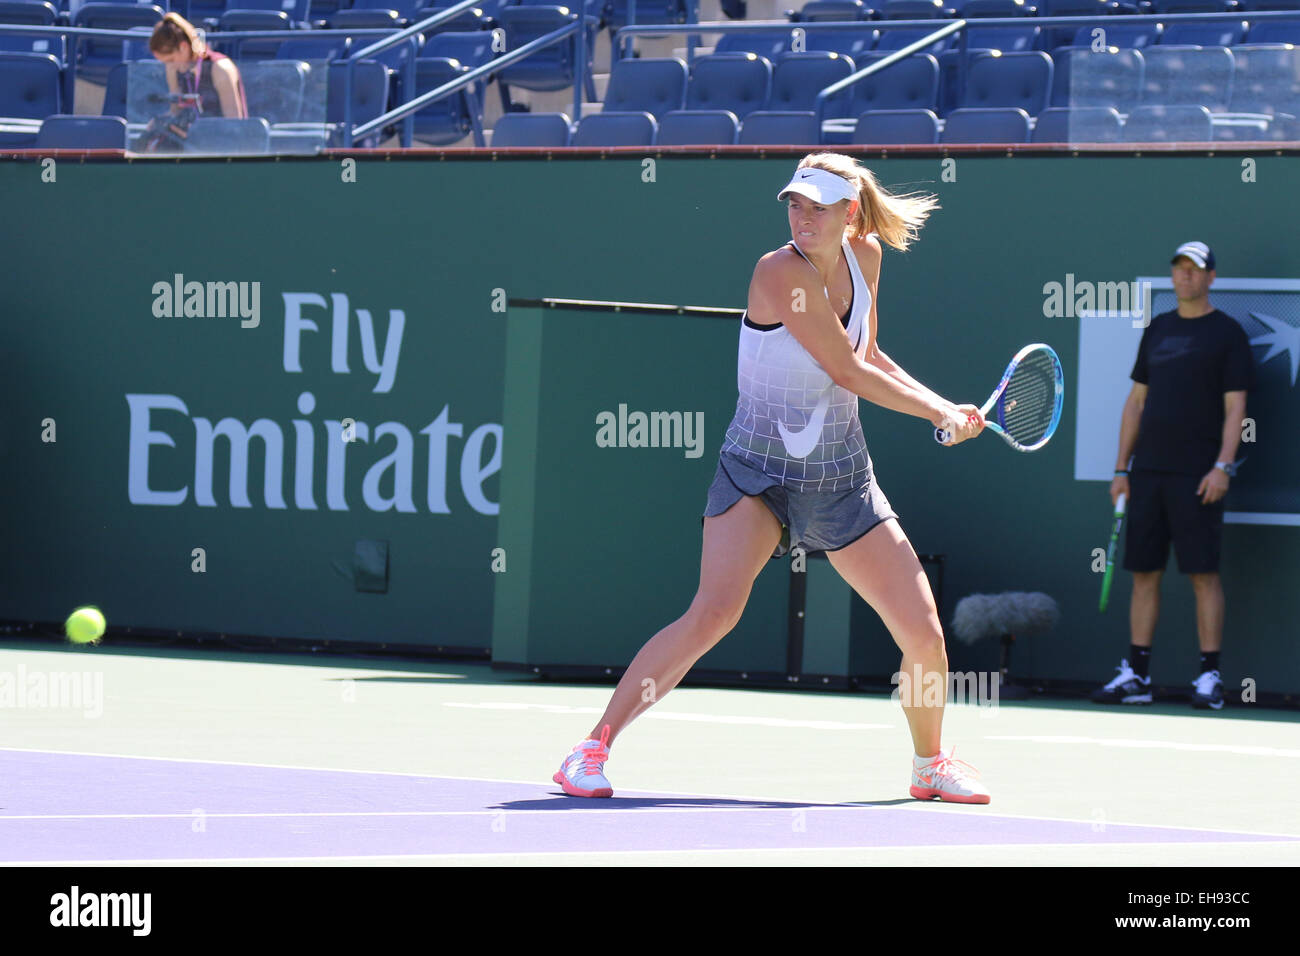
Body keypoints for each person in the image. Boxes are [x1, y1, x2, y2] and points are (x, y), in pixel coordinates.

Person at [553, 153, 993, 805]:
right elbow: (845, 372)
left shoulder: (865, 259)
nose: (802, 217)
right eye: (794, 203)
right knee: (713, 614)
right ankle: (589, 751)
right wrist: (935, 412)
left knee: (924, 634)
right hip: (758, 473)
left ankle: (929, 764)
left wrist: (946, 405)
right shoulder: (776, 272)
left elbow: (866, 353)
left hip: (842, 477)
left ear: (850, 213)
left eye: (818, 206)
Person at [1092, 242, 1252, 711]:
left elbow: (1236, 407)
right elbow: (1136, 401)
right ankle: (1137, 675)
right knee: (1145, 574)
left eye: (1195, 270)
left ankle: (1209, 677)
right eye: (1179, 269)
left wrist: (1223, 465)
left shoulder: (1228, 334)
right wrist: (1122, 468)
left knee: (1203, 575)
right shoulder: (1158, 330)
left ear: (1211, 278)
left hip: (1200, 476)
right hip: (1148, 475)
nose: (1185, 276)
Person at [149, 13, 248, 123]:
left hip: (219, 137)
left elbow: (233, 122)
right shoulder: (173, 69)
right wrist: (158, 122)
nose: (169, 66)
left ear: (183, 47)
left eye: (171, 60)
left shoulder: (220, 68)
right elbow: (175, 112)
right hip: (191, 138)